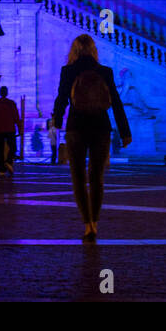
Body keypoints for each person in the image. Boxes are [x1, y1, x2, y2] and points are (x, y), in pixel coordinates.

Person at [52, 34, 131, 242]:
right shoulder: (105, 71)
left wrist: (57, 122)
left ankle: (87, 224)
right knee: (97, 178)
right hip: (101, 127)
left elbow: (61, 98)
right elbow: (115, 102)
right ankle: (95, 222)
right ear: (94, 50)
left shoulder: (68, 71)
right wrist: (124, 131)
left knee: (78, 178)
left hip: (76, 127)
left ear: (75, 50)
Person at [0, 86, 22, 175]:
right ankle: (9, 161)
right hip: (9, 129)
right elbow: (16, 117)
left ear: (0, 93)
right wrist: (20, 128)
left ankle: (2, 170)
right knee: (13, 147)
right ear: (6, 93)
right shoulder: (11, 104)